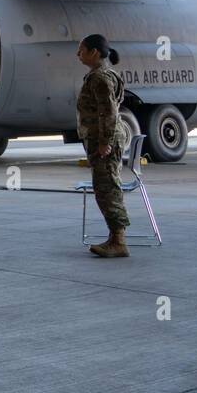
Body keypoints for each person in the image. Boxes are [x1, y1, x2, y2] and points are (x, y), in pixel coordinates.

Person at [76, 34, 131, 258]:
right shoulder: (104, 74)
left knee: (107, 189)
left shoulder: (100, 77)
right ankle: (115, 237)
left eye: (81, 50)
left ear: (94, 52)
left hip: (105, 141)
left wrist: (104, 143)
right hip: (103, 138)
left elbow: (108, 111)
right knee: (105, 188)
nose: (78, 54)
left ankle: (119, 242)